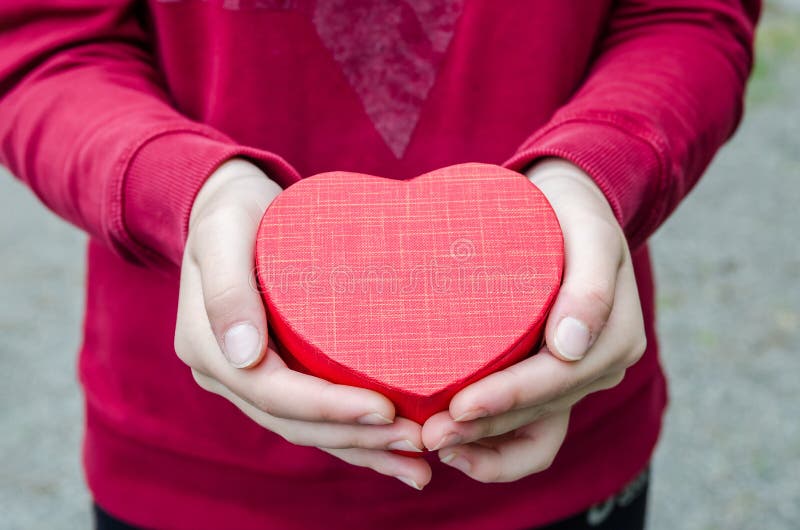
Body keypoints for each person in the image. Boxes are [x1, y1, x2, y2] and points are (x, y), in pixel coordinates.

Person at [0, 1, 758, 529]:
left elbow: (686, 13)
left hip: (554, 422)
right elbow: (45, 43)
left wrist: (596, 170)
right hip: (195, 459)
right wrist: (188, 191)